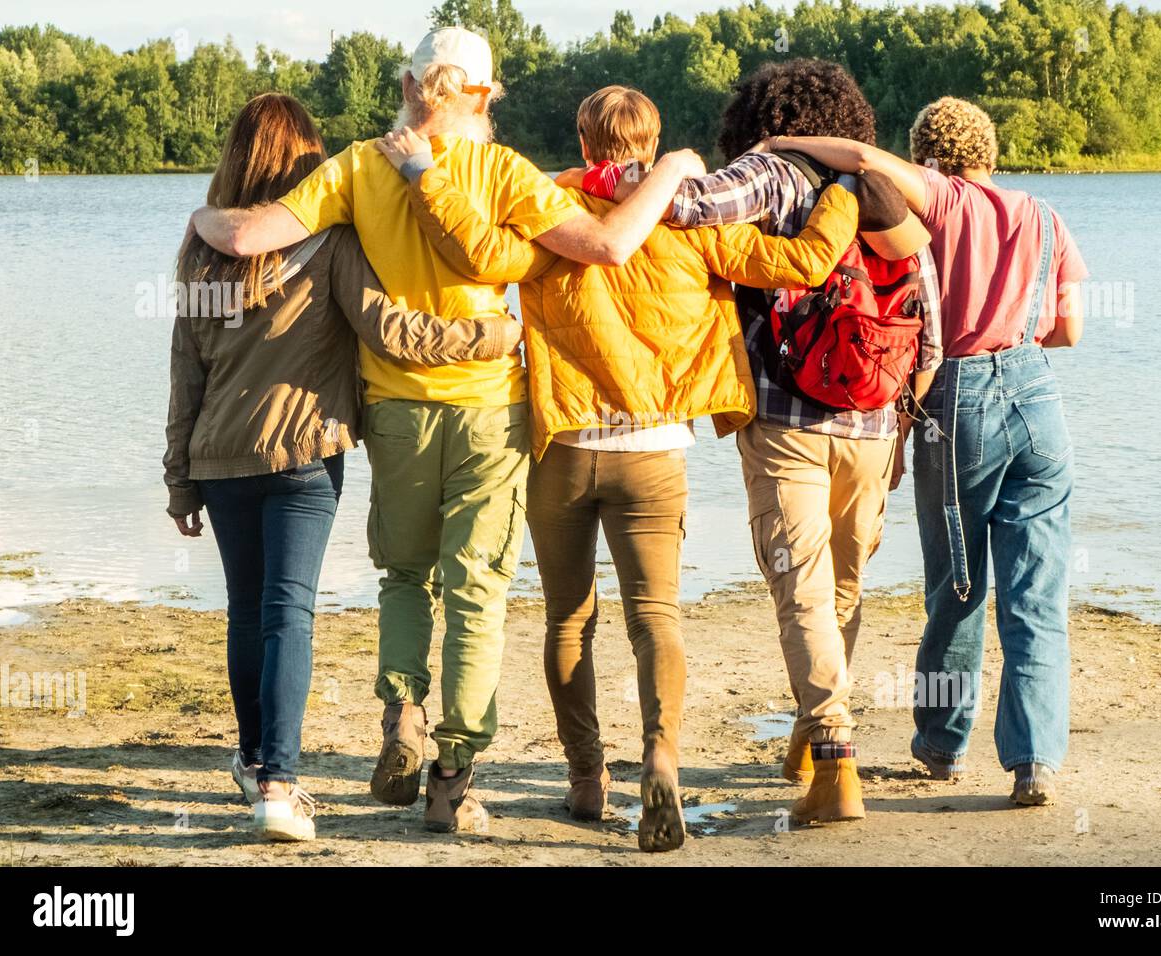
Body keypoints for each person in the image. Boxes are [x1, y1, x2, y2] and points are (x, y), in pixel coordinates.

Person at [189, 28, 705, 832]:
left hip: (394, 409)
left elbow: (253, 238)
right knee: (479, 592)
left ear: (405, 82)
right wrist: (672, 167)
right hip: (489, 409)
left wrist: (203, 213)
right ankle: (452, 779)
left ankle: (401, 713)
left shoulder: (359, 165)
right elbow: (607, 244)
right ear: (485, 95)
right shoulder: (504, 173)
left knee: (405, 576)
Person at [382, 83, 864, 849]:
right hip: (653, 453)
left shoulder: (546, 208)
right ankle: (662, 759)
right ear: (654, 138)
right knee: (656, 618)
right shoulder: (687, 218)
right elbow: (802, 263)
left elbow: (476, 250)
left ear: (581, 143)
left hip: (565, 451)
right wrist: (841, 190)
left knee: (569, 617)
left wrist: (422, 179)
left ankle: (586, 779)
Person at [165, 92, 521, 842]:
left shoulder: (202, 247)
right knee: (287, 612)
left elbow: (185, 375)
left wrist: (178, 478)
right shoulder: (328, 241)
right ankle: (280, 787)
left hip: (221, 459)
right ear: (305, 164)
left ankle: (257, 758)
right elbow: (392, 331)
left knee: (246, 610)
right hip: (304, 454)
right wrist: (489, 337)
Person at [597, 60, 943, 824]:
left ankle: (834, 761)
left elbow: (684, 206)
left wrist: (625, 174)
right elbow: (930, 320)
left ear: (760, 116)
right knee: (843, 586)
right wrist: (901, 418)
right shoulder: (878, 186)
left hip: (786, 417)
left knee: (803, 593)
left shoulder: (772, 171)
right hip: (878, 419)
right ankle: (810, 728)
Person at [765, 96, 1087, 805]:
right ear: (992, 152)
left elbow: (863, 160)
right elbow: (1069, 328)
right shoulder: (1044, 215)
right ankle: (1035, 761)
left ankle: (943, 744)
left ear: (932, 157)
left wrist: (784, 138)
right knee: (1037, 591)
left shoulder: (941, 195)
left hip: (959, 397)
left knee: (960, 582)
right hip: (1038, 395)